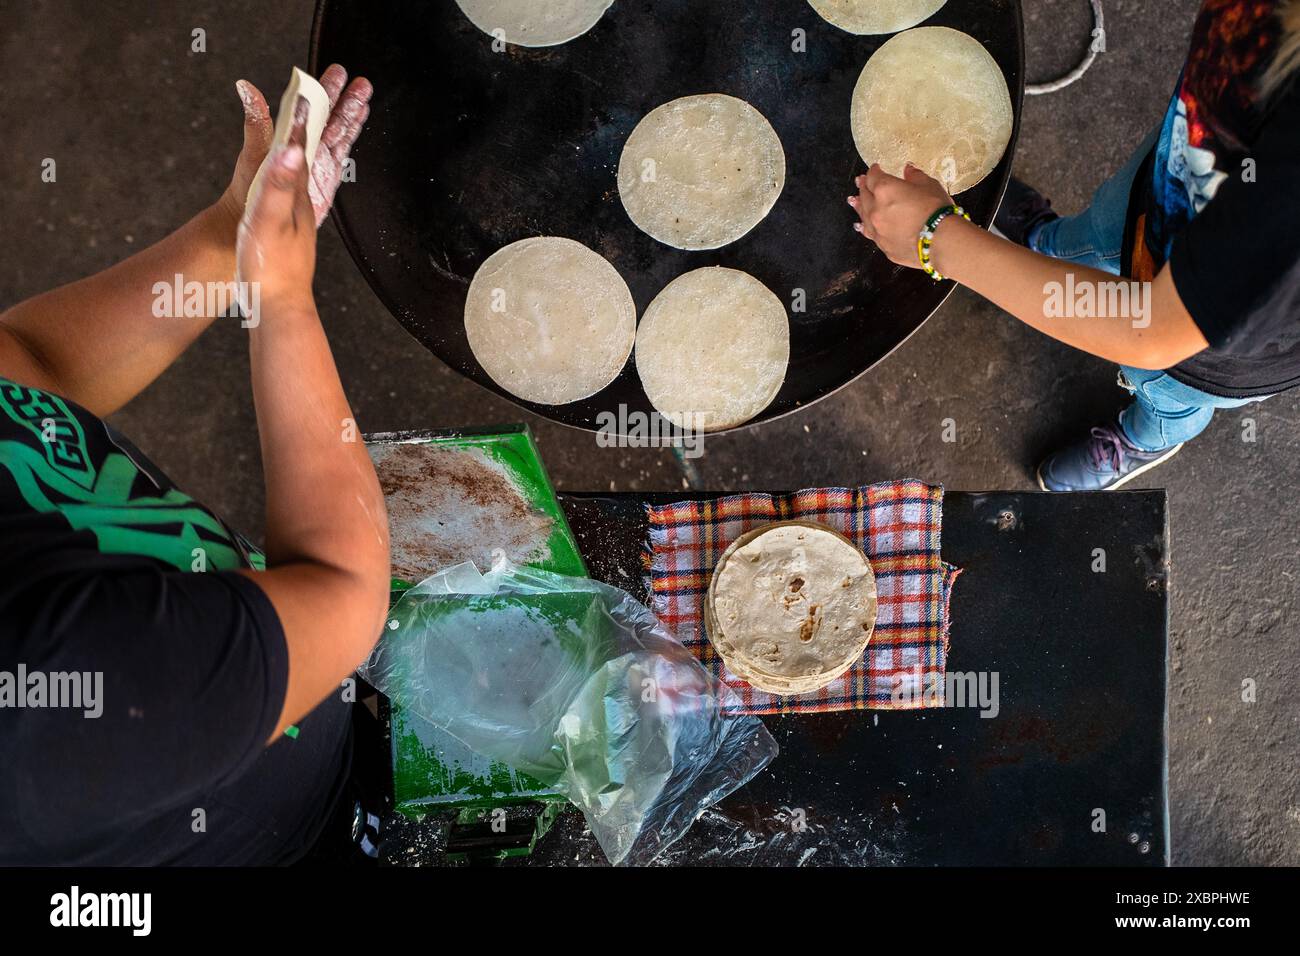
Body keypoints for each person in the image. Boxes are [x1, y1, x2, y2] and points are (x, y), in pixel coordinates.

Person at [0, 65, 391, 864]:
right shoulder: (61, 696)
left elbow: (32, 367)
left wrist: (228, 238)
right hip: (283, 827)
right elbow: (342, 589)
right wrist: (281, 300)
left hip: (243, 661)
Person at [850, 0, 1300, 491]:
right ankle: (1048, 245)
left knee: (1164, 391)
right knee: (1092, 234)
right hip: (1167, 180)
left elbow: (1150, 328)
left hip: (1206, 351)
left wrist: (937, 237)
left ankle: (1146, 439)